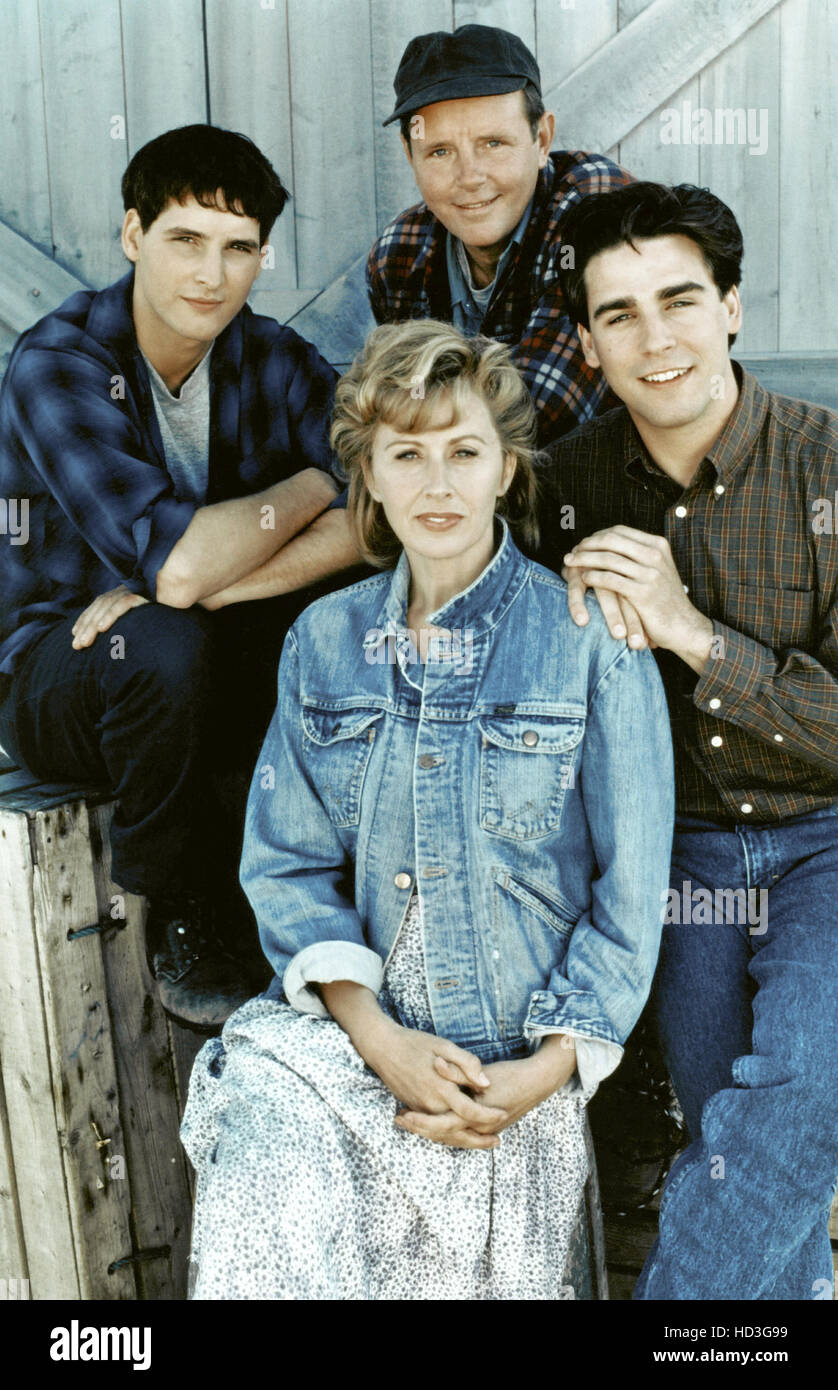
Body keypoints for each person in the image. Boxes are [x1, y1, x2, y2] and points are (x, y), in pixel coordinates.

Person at [179, 319, 674, 1300]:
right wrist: (376, 1038)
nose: (436, 484)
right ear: (369, 473)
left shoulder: (587, 639)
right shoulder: (324, 640)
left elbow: (635, 886)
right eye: (406, 454)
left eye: (463, 451)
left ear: (505, 469)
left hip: (511, 1076)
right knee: (266, 1128)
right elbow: (284, 864)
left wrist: (548, 1069)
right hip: (356, 1050)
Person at [536, 180, 838, 1300]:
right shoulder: (558, 490)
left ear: (732, 309)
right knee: (748, 1153)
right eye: (617, 315)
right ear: (585, 339)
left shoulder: (829, 468)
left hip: (827, 840)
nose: (653, 339)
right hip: (676, 862)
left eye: (678, 301)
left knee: (808, 1090)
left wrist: (693, 635)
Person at [0, 124, 362, 1030]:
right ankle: (187, 906)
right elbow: (186, 561)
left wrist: (217, 582)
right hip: (61, 663)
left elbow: (390, 513)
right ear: (133, 236)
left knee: (302, 617)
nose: (212, 274)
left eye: (239, 249)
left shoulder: (275, 360)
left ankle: (323, 880)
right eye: (185, 240)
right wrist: (315, 487)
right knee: (155, 639)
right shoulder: (60, 361)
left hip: (203, 635)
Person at [366, 23, 634, 447]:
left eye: (493, 143)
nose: (469, 178)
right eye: (439, 151)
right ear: (410, 155)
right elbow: (401, 404)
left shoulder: (595, 205)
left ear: (541, 138)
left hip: (600, 492)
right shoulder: (397, 254)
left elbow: (542, 411)